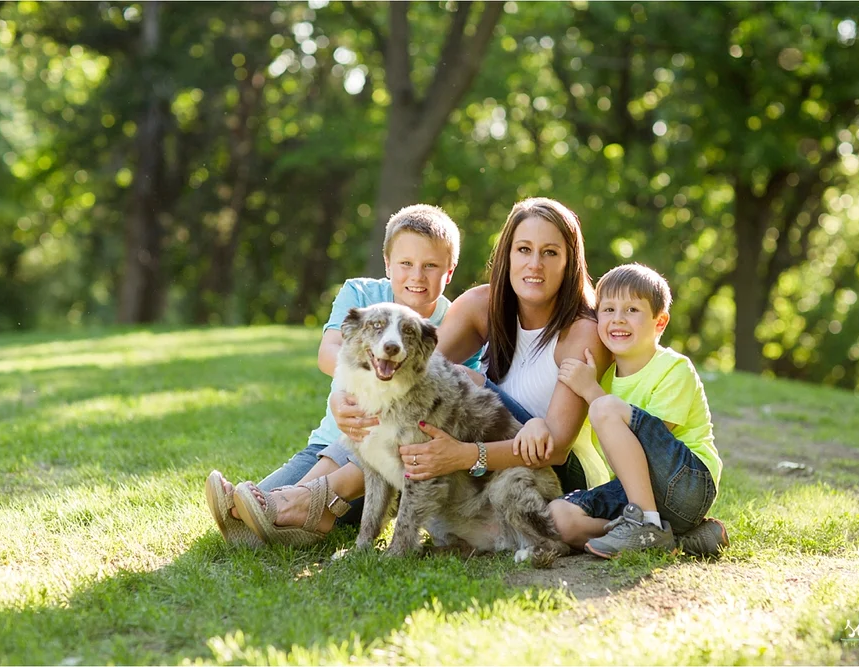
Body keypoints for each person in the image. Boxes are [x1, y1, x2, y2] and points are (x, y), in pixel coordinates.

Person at [205, 203, 476, 547]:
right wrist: (346, 392)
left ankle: (305, 507)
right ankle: (285, 515)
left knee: (275, 504)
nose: (417, 276)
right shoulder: (362, 295)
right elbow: (328, 351)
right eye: (406, 263)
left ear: (449, 272)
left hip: (385, 459)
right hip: (329, 441)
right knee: (252, 507)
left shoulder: (454, 324)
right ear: (388, 265)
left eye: (430, 266)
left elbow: (453, 402)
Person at [395, 197, 612, 493]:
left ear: (568, 262)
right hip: (492, 464)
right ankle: (333, 491)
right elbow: (412, 377)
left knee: (459, 378)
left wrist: (463, 456)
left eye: (550, 253)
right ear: (507, 254)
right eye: (524, 249)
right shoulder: (481, 306)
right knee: (427, 383)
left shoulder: (583, 332)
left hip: (564, 476)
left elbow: (557, 448)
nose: (534, 265)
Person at [548, 262, 728, 558]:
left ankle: (646, 525)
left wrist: (591, 392)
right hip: (635, 492)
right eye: (608, 310)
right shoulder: (604, 378)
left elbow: (650, 445)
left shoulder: (674, 368)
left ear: (660, 322)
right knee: (558, 517)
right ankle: (674, 540)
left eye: (632, 310)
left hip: (687, 485)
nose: (618, 319)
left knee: (605, 408)